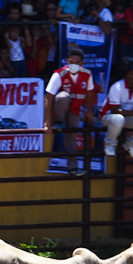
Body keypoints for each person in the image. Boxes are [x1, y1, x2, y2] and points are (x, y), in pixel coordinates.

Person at [44, 48, 94, 176]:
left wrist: (88, 110)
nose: (74, 65)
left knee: (72, 135)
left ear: (82, 63)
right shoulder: (59, 74)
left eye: (77, 63)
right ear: (67, 61)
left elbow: (89, 92)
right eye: (71, 62)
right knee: (63, 96)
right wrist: (47, 122)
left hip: (75, 109)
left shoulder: (87, 74)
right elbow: (48, 97)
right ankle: (59, 122)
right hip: (59, 108)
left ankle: (73, 167)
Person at [100, 65, 133, 159]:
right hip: (107, 116)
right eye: (129, 73)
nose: (131, 76)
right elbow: (114, 110)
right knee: (118, 119)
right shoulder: (117, 86)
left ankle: (131, 144)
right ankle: (109, 144)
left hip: (126, 117)